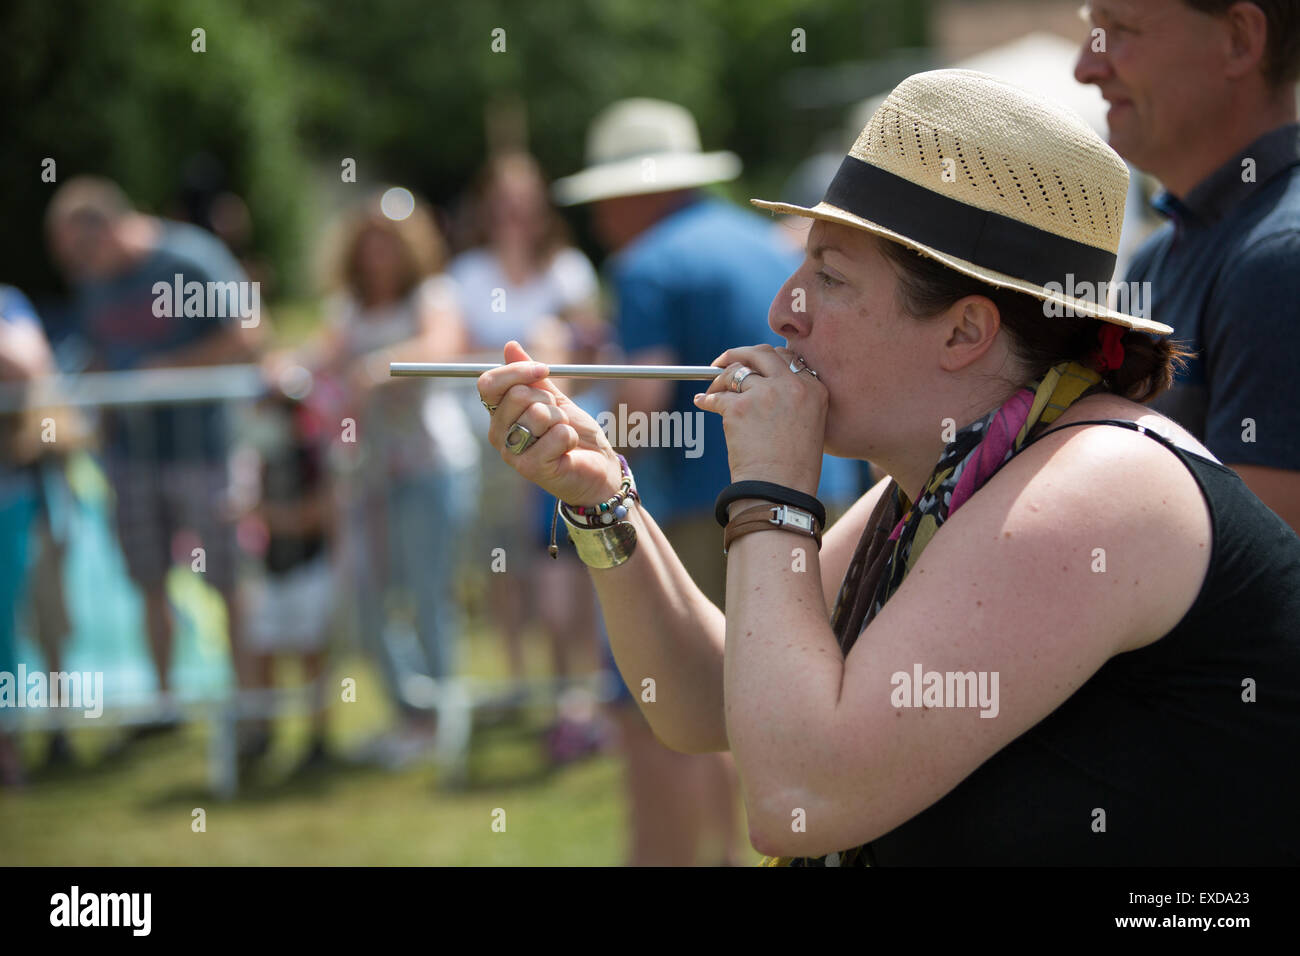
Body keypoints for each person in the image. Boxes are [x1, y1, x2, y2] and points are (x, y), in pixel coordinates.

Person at [477, 70, 1300, 865]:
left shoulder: (1095, 488)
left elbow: (801, 797)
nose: (782, 310)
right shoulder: (951, 483)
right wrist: (604, 499)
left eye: (829, 278)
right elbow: (701, 700)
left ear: (963, 333)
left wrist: (776, 493)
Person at [44, 177, 261, 742]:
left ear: (109, 226)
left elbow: (251, 333)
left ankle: (247, 708)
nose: (78, 266)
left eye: (81, 251)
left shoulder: (191, 258)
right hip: (131, 458)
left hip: (205, 451)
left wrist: (169, 372)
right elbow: (95, 355)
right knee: (147, 580)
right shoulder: (94, 283)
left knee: (226, 580)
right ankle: (165, 706)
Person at [1075, 0, 1300, 532]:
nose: (1086, 67)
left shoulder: (1279, 261)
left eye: (1119, 29)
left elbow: (1252, 586)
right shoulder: (1160, 256)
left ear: (1240, 39)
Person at [304, 189, 479, 768]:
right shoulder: (347, 309)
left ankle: (442, 718)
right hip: (368, 476)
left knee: (428, 594)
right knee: (368, 596)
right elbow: (319, 358)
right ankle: (411, 712)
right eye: (370, 238)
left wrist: (373, 370)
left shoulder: (434, 296)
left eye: (390, 238)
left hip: (430, 468)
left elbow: (440, 344)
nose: (379, 250)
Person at [449, 153, 604, 718]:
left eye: (525, 202)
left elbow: (591, 354)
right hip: (489, 443)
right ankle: (519, 680)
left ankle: (579, 687)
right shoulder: (467, 274)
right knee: (504, 563)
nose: (515, 214)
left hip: (559, 435)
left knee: (573, 557)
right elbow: (457, 350)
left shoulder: (567, 268)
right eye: (504, 203)